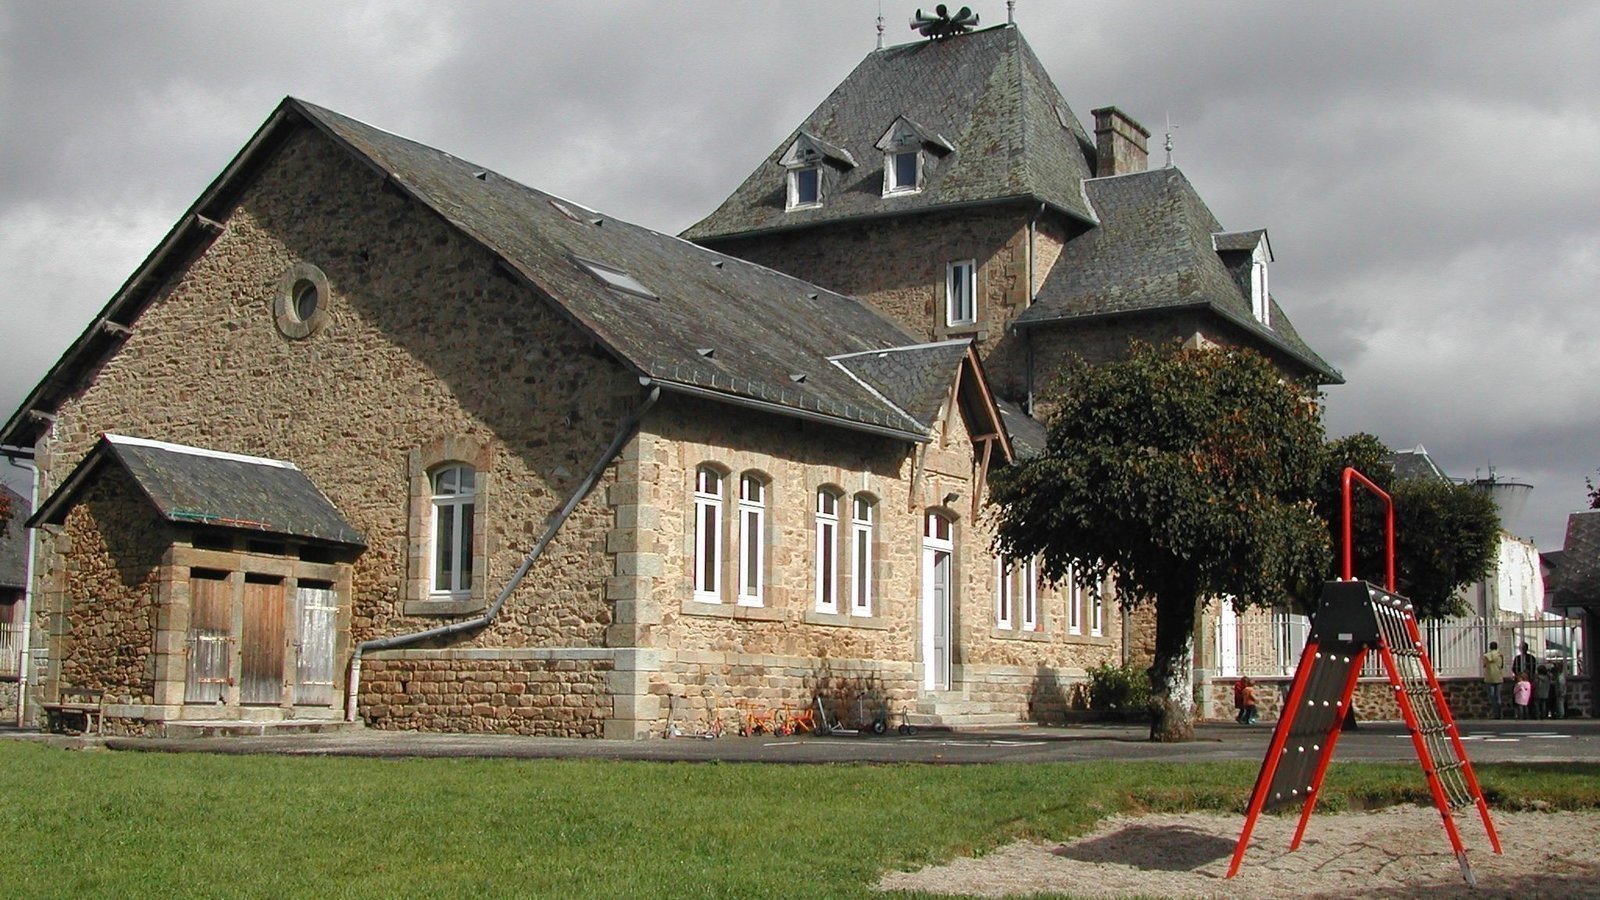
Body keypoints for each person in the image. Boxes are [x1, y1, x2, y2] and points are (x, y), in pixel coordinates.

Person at [1481, 641, 1505, 718]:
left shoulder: (1486, 656)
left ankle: (1495, 713)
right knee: (1498, 696)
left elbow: (1484, 665)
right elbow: (1501, 666)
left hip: (1489, 677)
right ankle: (1499, 713)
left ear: (1490, 647)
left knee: (1492, 696)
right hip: (1498, 677)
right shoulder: (1500, 656)